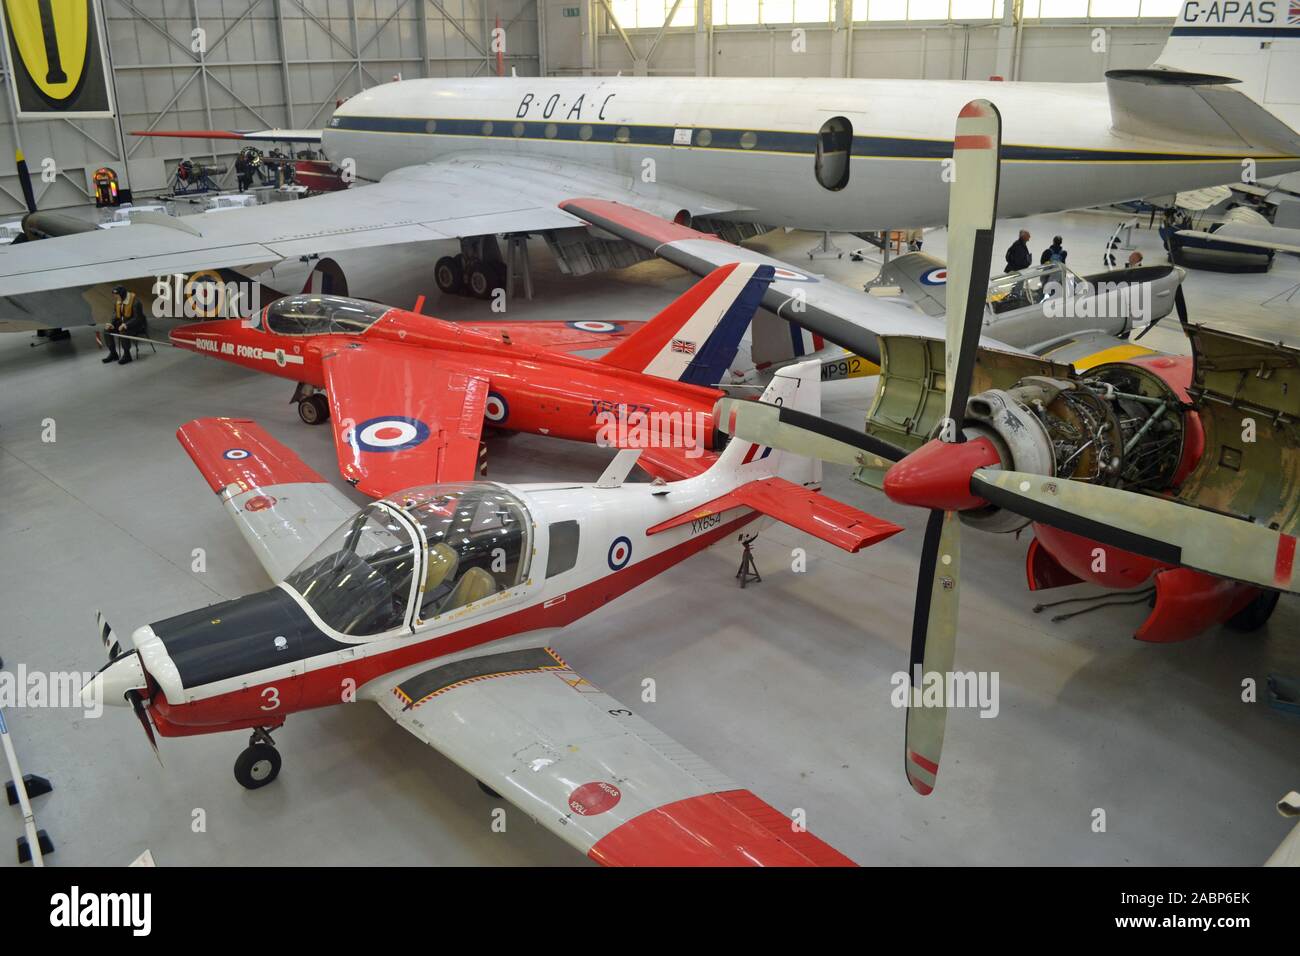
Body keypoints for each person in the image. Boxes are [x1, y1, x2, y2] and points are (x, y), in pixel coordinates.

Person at [103, 286, 146, 365]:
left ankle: (127, 355)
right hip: (122, 323)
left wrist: (126, 324)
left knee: (123, 331)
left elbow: (138, 318)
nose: (115, 297)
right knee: (107, 330)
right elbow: (115, 313)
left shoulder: (136, 302)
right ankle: (113, 353)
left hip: (136, 325)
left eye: (116, 295)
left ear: (122, 294)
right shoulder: (119, 301)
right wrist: (111, 323)